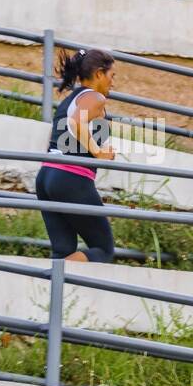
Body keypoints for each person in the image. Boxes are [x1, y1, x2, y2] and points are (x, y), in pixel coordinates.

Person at [35, 47, 118, 264]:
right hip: (70, 179)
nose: (113, 82)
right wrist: (98, 153)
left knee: (63, 250)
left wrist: (99, 151)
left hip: (47, 176)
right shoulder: (94, 97)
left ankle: (50, 292)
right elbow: (75, 122)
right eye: (112, 76)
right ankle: (50, 280)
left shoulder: (71, 99)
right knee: (103, 250)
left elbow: (63, 132)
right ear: (99, 74)